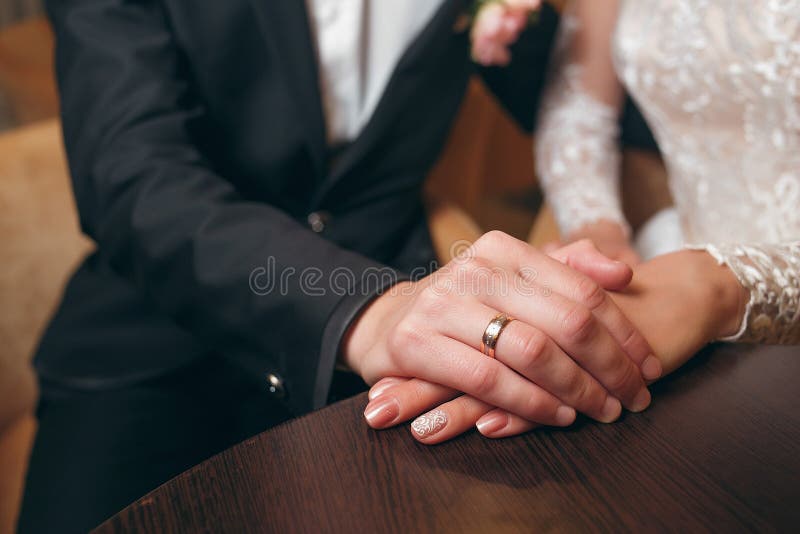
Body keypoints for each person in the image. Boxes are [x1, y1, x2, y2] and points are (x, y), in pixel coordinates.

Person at [19, 1, 662, 532]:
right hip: (162, 336)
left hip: (394, 346)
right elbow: (131, 178)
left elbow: (593, 96)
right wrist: (365, 310)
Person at [368, 0, 799, 444]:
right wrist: (599, 232)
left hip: (727, 284)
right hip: (667, 265)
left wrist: (716, 283)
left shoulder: (701, 286)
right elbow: (578, 114)